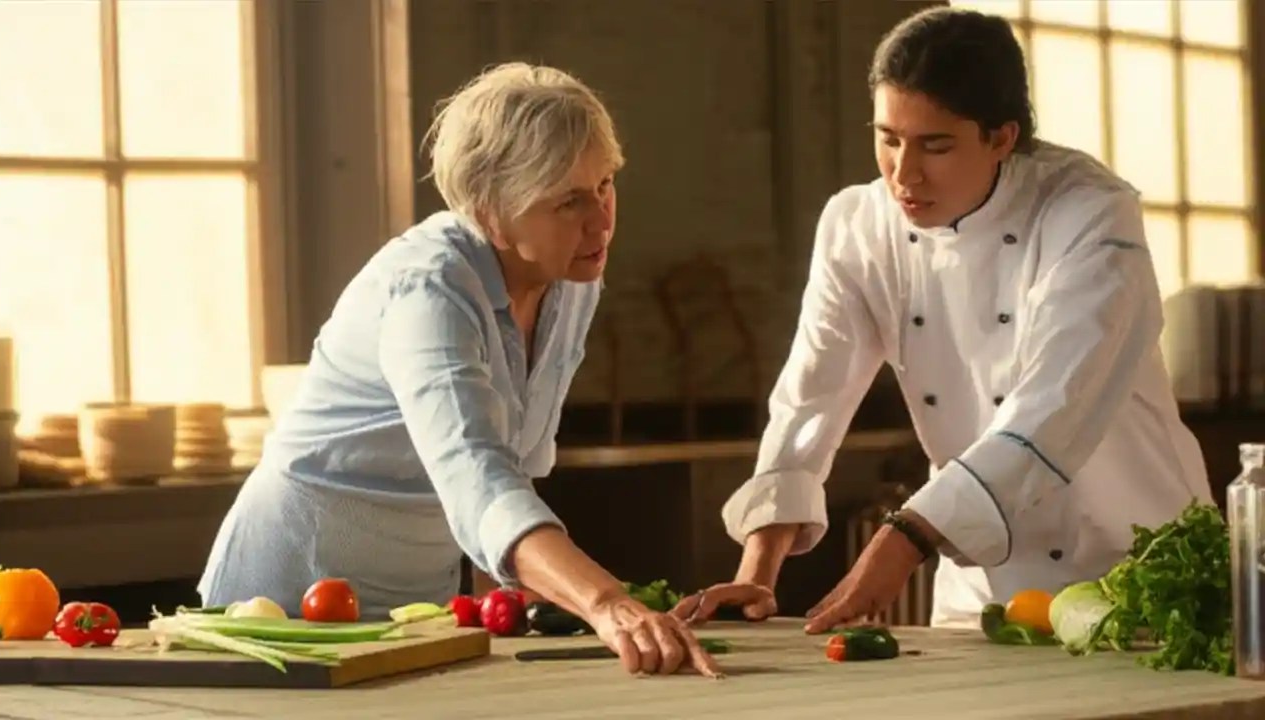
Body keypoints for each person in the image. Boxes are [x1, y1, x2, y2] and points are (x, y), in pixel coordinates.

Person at [674, 7, 1212, 633]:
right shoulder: (859, 227)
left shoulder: (1091, 216)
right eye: (888, 138)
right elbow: (807, 403)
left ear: (1002, 137)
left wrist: (903, 538)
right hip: (980, 594)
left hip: (1133, 576)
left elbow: (1051, 410)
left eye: (935, 145)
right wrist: (756, 572)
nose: (904, 174)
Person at [199, 62, 720, 678]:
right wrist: (606, 604)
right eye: (569, 200)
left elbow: (514, 468)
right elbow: (478, 478)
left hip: (419, 610)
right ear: (489, 211)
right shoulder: (429, 290)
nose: (602, 221)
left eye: (605, 185)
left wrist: (510, 612)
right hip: (290, 601)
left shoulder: (571, 272)